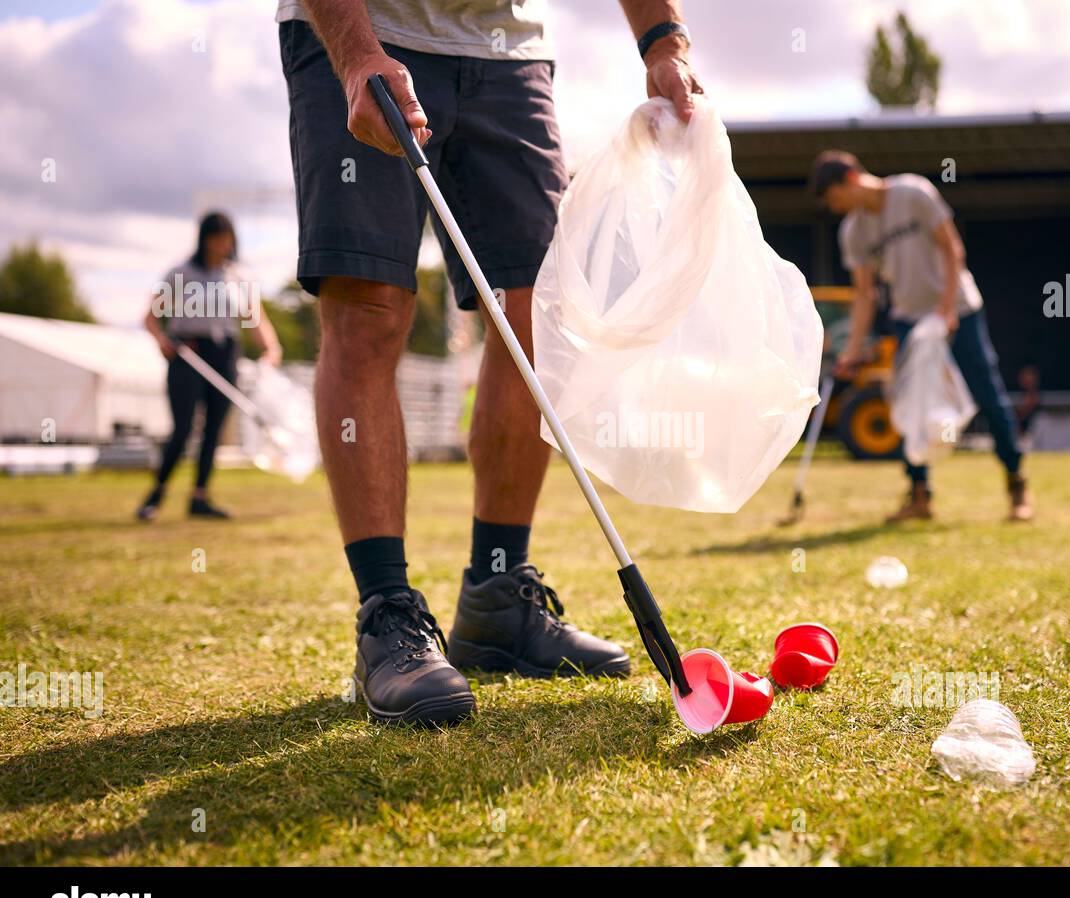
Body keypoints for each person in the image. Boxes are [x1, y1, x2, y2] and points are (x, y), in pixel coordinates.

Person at [278, 0, 704, 726]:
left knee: (538, 308)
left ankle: (497, 600)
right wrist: (354, 56)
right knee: (371, 306)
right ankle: (387, 613)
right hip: (365, 34)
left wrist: (665, 40)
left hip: (509, 54)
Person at [810, 150, 1033, 524]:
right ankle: (919, 496)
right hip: (909, 321)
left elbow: (951, 248)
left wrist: (946, 309)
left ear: (849, 179)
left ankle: (1016, 484)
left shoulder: (913, 193)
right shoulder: (853, 232)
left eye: (835, 198)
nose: (837, 208)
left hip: (959, 311)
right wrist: (851, 351)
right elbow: (864, 293)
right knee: (906, 407)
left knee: (988, 396)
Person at [138, 212, 282, 521]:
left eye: (225, 238)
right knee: (184, 428)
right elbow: (150, 317)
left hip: (224, 356)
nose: (220, 244)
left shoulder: (239, 276)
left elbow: (255, 318)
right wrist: (162, 340)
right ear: (203, 240)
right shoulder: (182, 273)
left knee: (214, 430)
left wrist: (271, 348)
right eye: (214, 238)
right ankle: (157, 493)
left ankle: (199, 496)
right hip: (189, 355)